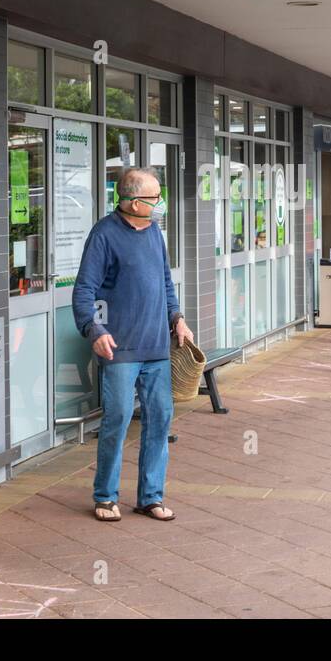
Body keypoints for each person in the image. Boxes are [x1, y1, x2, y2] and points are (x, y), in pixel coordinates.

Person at [73, 167, 194, 523]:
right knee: (118, 419)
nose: (160, 204)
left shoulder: (155, 232)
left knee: (160, 419)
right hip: (119, 349)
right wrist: (94, 331)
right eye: (155, 198)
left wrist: (177, 317)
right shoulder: (104, 235)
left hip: (156, 348)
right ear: (134, 201)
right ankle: (105, 496)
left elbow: (165, 282)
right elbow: (84, 291)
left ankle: (150, 497)